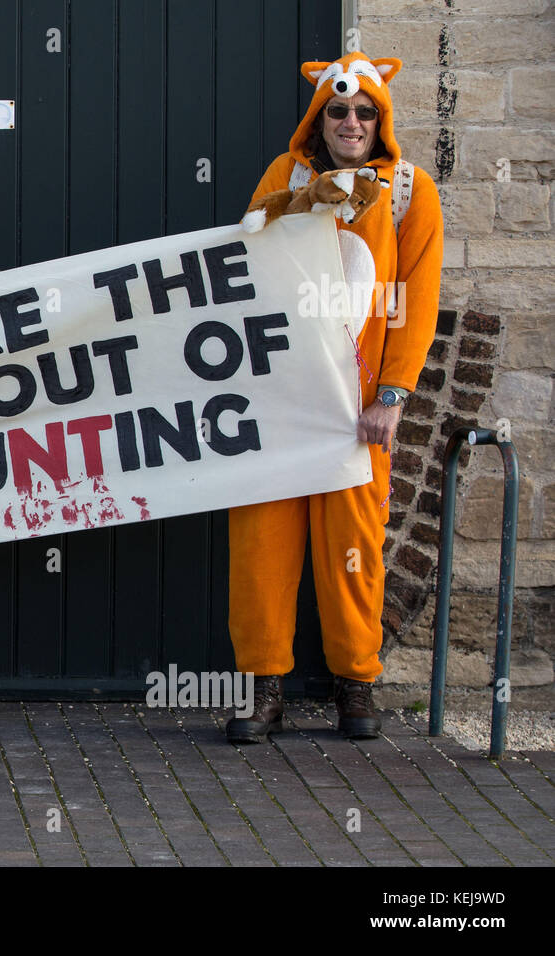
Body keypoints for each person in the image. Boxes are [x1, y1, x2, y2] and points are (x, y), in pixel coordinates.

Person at [225, 52, 444, 743]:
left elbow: (418, 298)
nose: (351, 122)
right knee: (262, 545)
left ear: (381, 120)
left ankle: (357, 683)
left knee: (353, 545)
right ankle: (263, 690)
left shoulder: (409, 190)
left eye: (364, 112)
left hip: (359, 406)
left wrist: (394, 394)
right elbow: (247, 263)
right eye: (338, 111)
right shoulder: (284, 176)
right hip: (280, 399)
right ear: (319, 118)